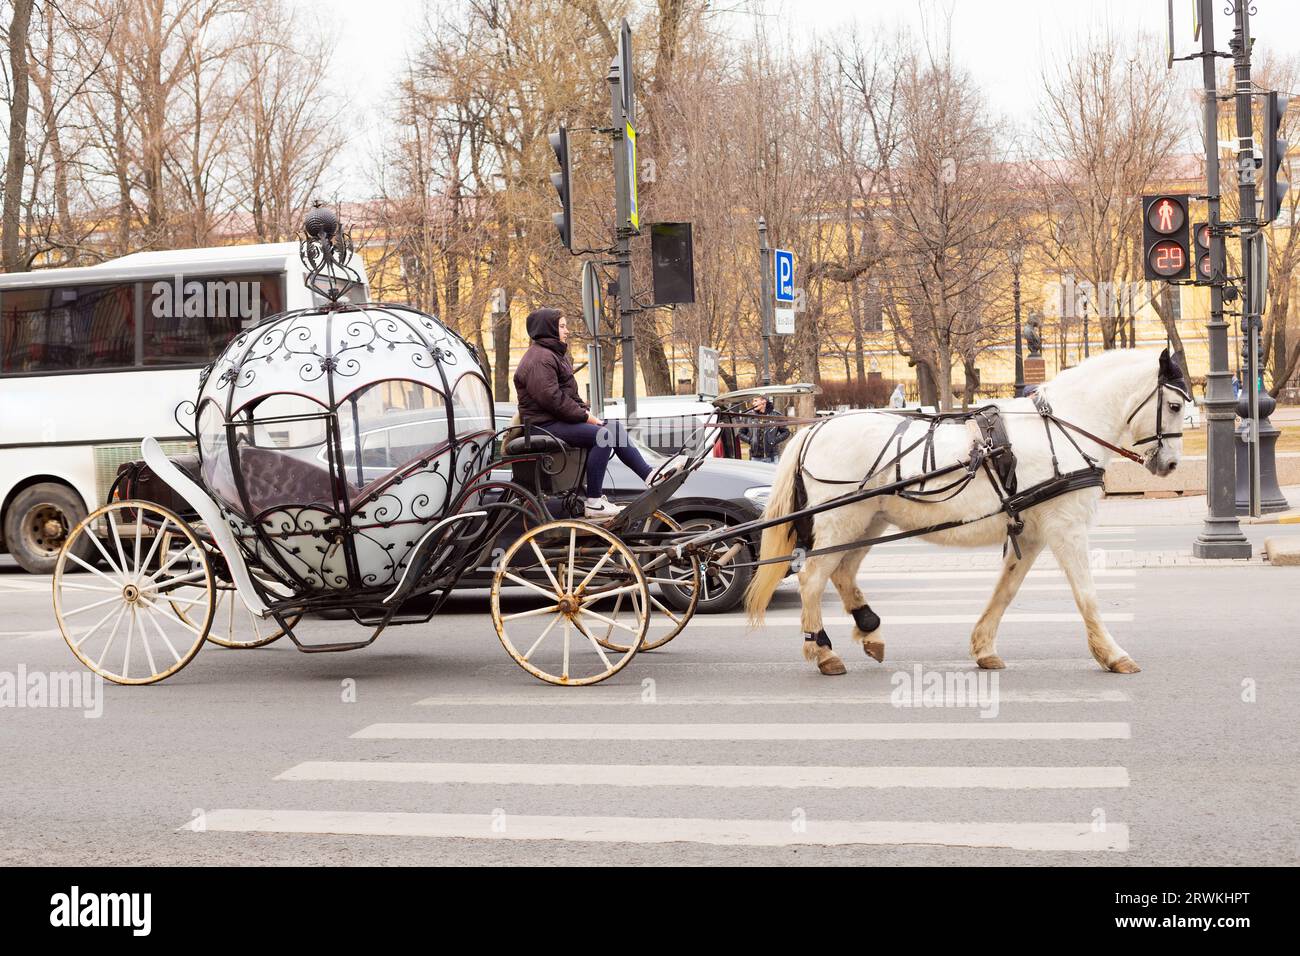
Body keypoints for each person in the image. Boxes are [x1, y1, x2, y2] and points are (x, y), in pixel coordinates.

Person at [513, 307, 652, 518]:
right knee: (604, 435)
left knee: (612, 427)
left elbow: (570, 395)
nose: (567, 331)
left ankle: (650, 476)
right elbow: (553, 400)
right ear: (548, 329)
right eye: (562, 326)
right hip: (545, 425)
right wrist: (586, 417)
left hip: (555, 421)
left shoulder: (553, 355)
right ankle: (594, 501)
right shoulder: (539, 359)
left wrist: (586, 413)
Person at [738, 395, 790, 464]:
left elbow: (786, 432)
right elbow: (740, 433)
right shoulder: (749, 416)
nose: (753, 403)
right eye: (753, 401)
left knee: (773, 475)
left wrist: (775, 440)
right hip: (755, 457)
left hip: (772, 457)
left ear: (764, 401)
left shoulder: (776, 415)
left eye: (756, 401)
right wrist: (751, 440)